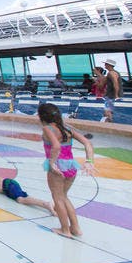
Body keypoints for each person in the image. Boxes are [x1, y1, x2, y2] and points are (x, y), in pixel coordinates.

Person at [38, 102, 96, 238]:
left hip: (58, 167)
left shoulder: (47, 129)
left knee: (57, 198)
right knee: (64, 197)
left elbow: (56, 146)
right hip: (70, 165)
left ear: (41, 117)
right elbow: (87, 143)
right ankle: (75, 228)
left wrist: (52, 163)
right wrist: (89, 162)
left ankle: (65, 230)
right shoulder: (67, 128)